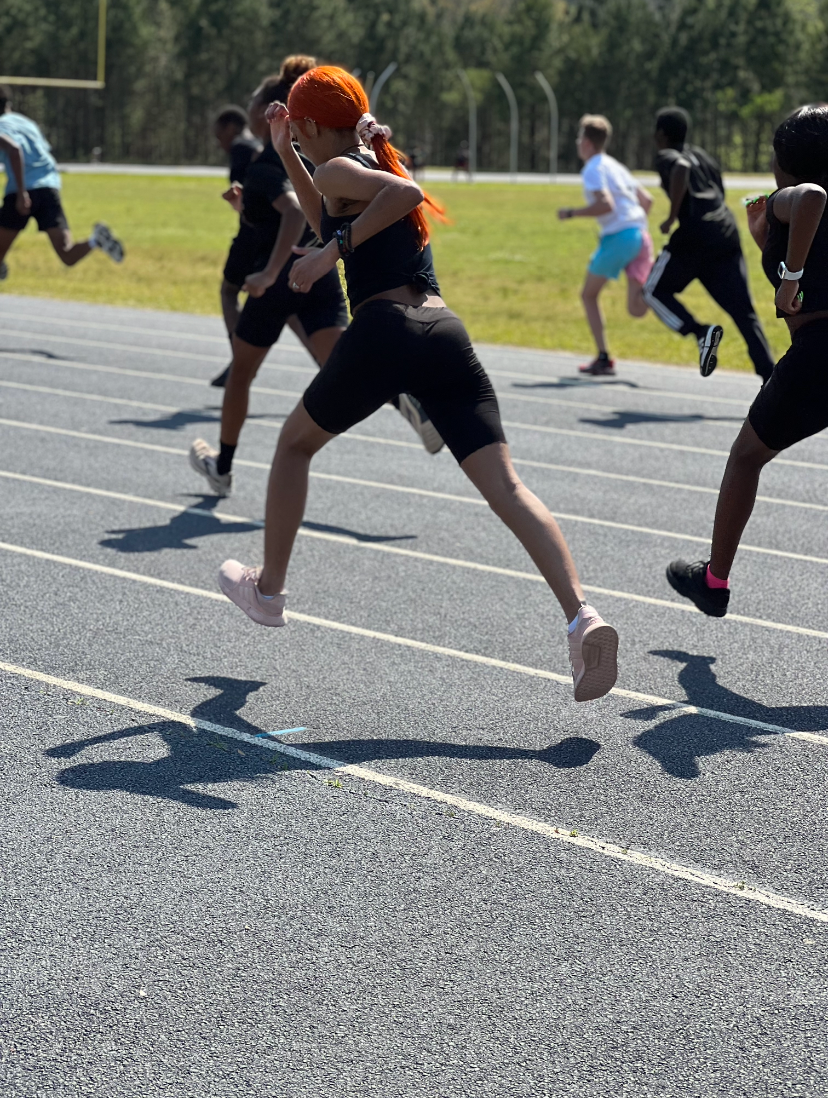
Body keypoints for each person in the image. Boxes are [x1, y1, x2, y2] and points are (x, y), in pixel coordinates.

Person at [217, 66, 619, 703]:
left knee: (293, 447)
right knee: (508, 488)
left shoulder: (347, 169)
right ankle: (581, 616)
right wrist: (288, 154)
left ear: (314, 126)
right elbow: (326, 214)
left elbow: (399, 199)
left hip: (386, 330)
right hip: (443, 332)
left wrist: (331, 253)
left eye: (299, 130)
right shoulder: (351, 163)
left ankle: (268, 591)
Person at [667, 104, 828, 615]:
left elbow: (812, 197)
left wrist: (791, 277)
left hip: (819, 355)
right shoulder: (774, 211)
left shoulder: (793, 195)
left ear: (785, 162)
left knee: (745, 457)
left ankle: (714, 582)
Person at [190, 59, 349, 494]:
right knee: (344, 365)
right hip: (319, 269)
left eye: (252, 102)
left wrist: (268, 272)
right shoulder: (310, 150)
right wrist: (247, 209)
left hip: (282, 276)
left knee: (240, 374)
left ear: (266, 109)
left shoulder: (263, 163)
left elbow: (295, 213)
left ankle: (222, 466)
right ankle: (404, 396)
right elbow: (307, 211)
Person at [644, 106, 775, 382]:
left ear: (660, 135)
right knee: (744, 312)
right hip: (725, 230)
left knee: (653, 290)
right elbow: (718, 184)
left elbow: (680, 168)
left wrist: (671, 217)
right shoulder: (702, 154)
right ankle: (769, 377)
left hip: (694, 236)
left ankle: (700, 332)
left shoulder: (668, 155)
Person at [557, 115, 654, 377]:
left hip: (620, 237)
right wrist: (633, 224)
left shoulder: (592, 169)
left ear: (587, 142)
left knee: (588, 295)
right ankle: (661, 282)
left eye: (579, 138)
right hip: (639, 235)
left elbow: (606, 205)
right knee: (636, 309)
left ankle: (603, 357)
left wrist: (571, 213)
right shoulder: (616, 165)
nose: (578, 143)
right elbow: (647, 199)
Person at [0, 84, 123, 280]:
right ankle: (95, 241)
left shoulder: (1, 126)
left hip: (23, 191)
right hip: (49, 186)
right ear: (9, 104)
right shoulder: (27, 124)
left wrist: (22, 193)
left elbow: (15, 151)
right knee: (67, 254)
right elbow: (43, 153)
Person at [210, 103, 263, 386]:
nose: (220, 144)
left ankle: (240, 361)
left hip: (252, 234)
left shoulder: (241, 148)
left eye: (219, 137)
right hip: (274, 234)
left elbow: (244, 198)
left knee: (229, 291)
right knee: (288, 307)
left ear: (230, 127)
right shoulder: (259, 144)